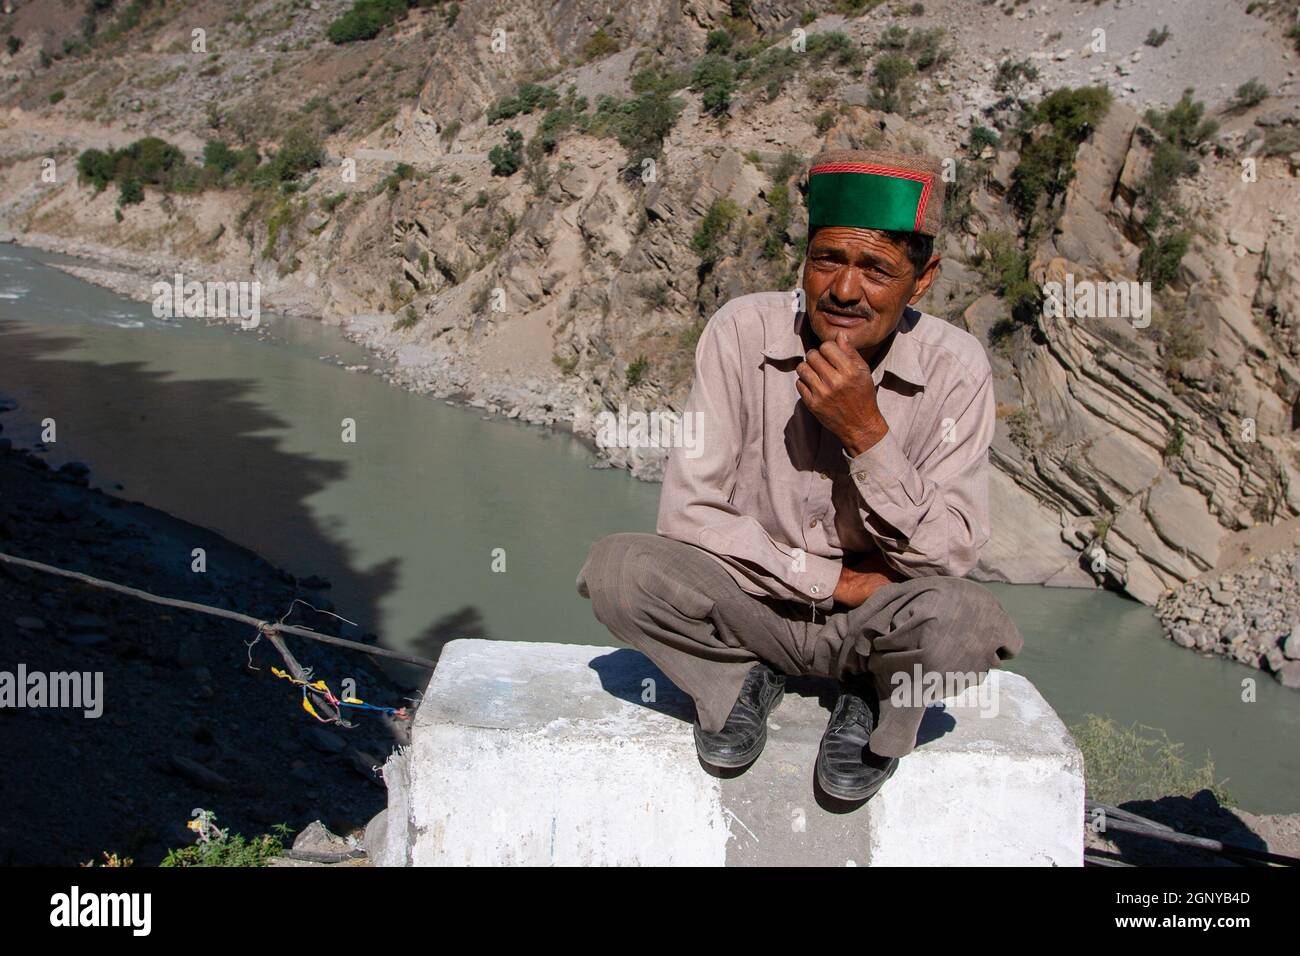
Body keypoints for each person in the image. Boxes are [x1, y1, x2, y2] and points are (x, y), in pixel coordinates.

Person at [577, 148, 1023, 802]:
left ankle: (873, 700)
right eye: (827, 260)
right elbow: (687, 516)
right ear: (804, 259)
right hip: (750, 609)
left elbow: (950, 553)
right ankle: (733, 681)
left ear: (922, 280)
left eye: (876, 268)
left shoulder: (956, 369)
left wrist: (867, 434)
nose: (844, 290)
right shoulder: (741, 332)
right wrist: (837, 582)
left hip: (874, 630)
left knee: (970, 625)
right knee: (617, 572)